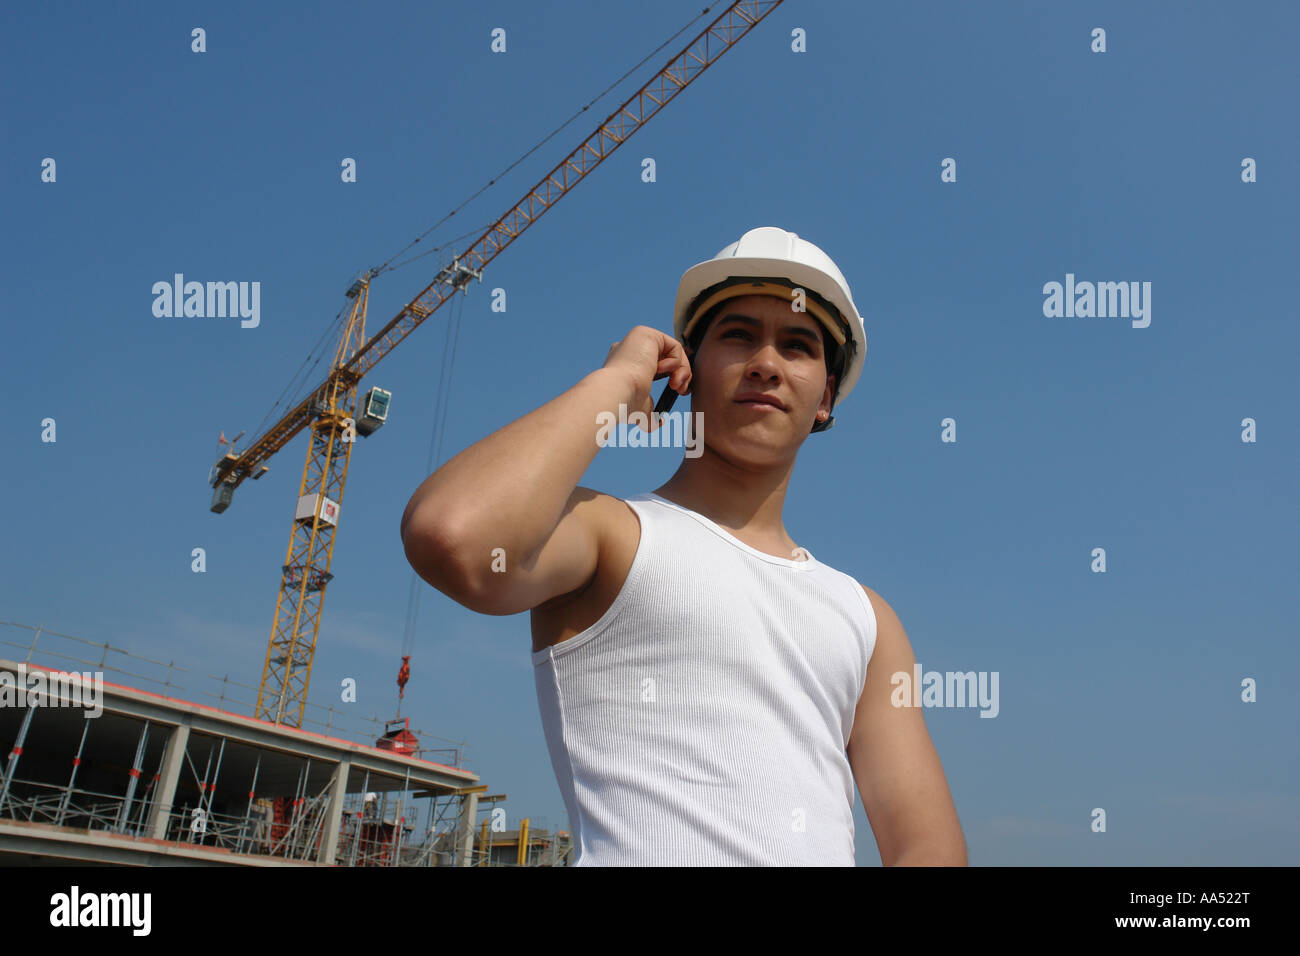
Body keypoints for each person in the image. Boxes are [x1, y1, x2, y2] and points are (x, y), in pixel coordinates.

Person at [401, 226, 967, 866]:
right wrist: (616, 383)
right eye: (737, 335)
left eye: (799, 345)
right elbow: (452, 534)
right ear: (686, 370)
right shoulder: (608, 537)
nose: (766, 362)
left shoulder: (867, 619)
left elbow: (927, 847)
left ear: (826, 397)